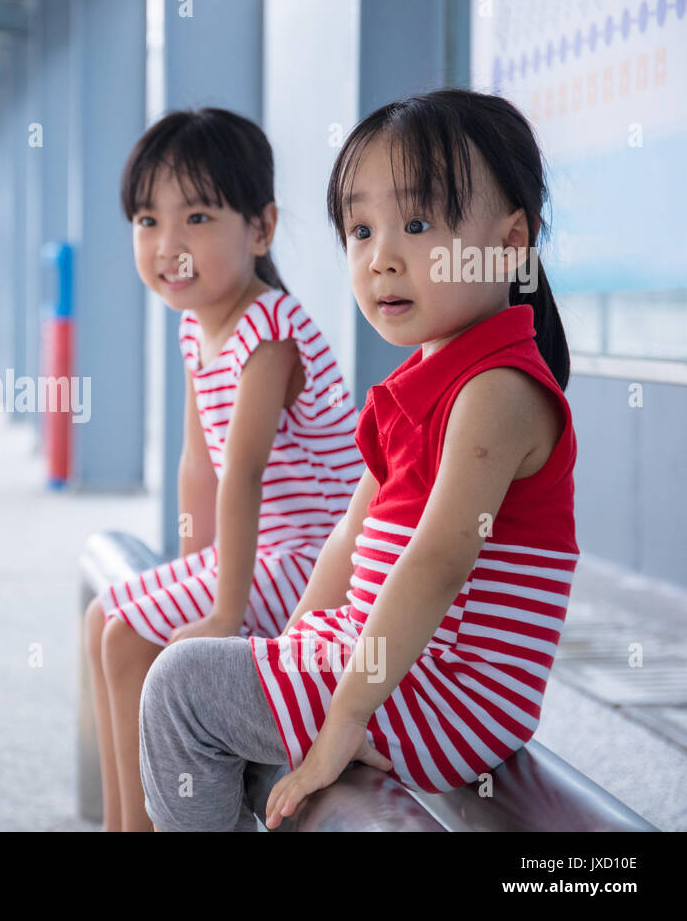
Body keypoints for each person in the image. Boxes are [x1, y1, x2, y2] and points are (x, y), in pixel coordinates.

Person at [138, 88, 580, 832]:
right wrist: (292, 648)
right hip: (395, 666)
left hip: (451, 692)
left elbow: (436, 563)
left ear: (508, 244)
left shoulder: (499, 389)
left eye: (415, 223)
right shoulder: (416, 385)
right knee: (238, 681)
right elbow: (348, 541)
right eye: (361, 230)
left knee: (181, 687)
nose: (381, 259)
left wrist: (343, 718)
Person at [85, 108, 364, 831]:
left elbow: (242, 474)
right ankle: (122, 823)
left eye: (198, 217)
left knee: (126, 636)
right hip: (258, 556)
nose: (168, 245)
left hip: (311, 566)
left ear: (261, 229)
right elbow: (198, 469)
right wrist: (191, 575)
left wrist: (220, 613)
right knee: (102, 618)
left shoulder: (268, 329)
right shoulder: (194, 323)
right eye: (148, 221)